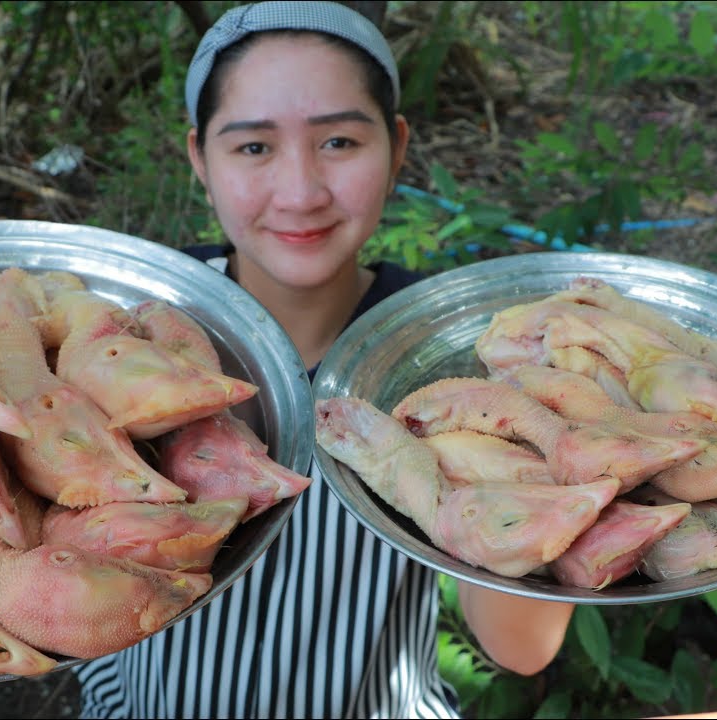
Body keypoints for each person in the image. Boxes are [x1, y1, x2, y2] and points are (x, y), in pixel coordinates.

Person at [73, 3, 575, 717]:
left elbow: (519, 648)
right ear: (200, 160)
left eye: (339, 141)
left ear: (396, 148)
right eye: (254, 147)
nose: (301, 192)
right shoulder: (126, 333)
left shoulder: (450, 359)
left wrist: (550, 446)